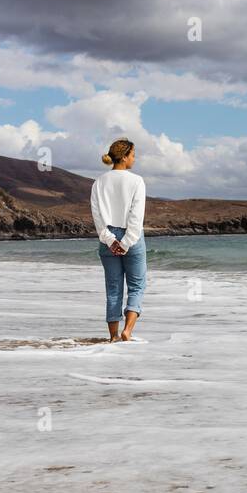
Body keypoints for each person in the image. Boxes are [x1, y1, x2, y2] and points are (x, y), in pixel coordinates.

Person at [90, 138, 146, 341]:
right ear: (124, 157)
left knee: (113, 289)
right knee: (136, 286)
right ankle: (127, 332)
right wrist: (126, 242)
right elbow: (136, 216)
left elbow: (97, 217)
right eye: (133, 155)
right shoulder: (136, 181)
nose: (134, 158)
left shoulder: (98, 183)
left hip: (107, 238)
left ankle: (113, 336)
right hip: (131, 236)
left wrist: (111, 240)